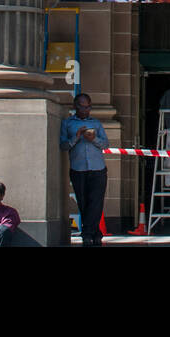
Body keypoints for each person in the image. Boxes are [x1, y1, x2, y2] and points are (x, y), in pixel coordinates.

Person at [59, 92, 108, 246]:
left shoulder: (96, 123)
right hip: (78, 168)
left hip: (97, 167)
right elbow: (63, 145)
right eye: (82, 107)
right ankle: (95, 233)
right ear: (75, 106)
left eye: (88, 107)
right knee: (83, 202)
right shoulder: (67, 123)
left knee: (96, 202)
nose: (86, 110)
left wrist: (94, 140)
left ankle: (87, 234)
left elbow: (106, 144)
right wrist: (77, 137)